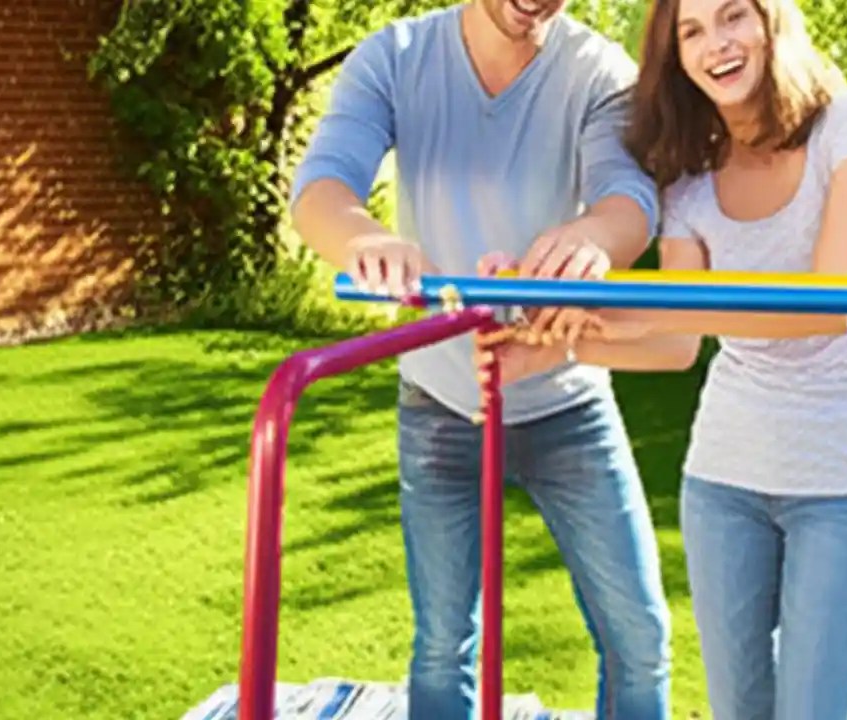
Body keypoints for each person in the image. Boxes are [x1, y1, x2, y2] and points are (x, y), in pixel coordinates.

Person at [478, 0, 847, 717]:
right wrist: (542, 346)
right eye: (691, 30)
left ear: (772, 21)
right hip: (725, 482)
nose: (716, 43)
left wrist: (631, 307)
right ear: (675, 56)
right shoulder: (689, 180)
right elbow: (678, 346)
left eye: (733, 16)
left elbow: (834, 305)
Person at [286, 0, 674, 717]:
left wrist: (594, 236)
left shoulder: (598, 74)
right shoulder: (394, 58)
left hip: (569, 406)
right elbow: (322, 188)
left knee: (640, 637)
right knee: (443, 643)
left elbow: (628, 196)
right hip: (441, 406)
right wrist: (362, 239)